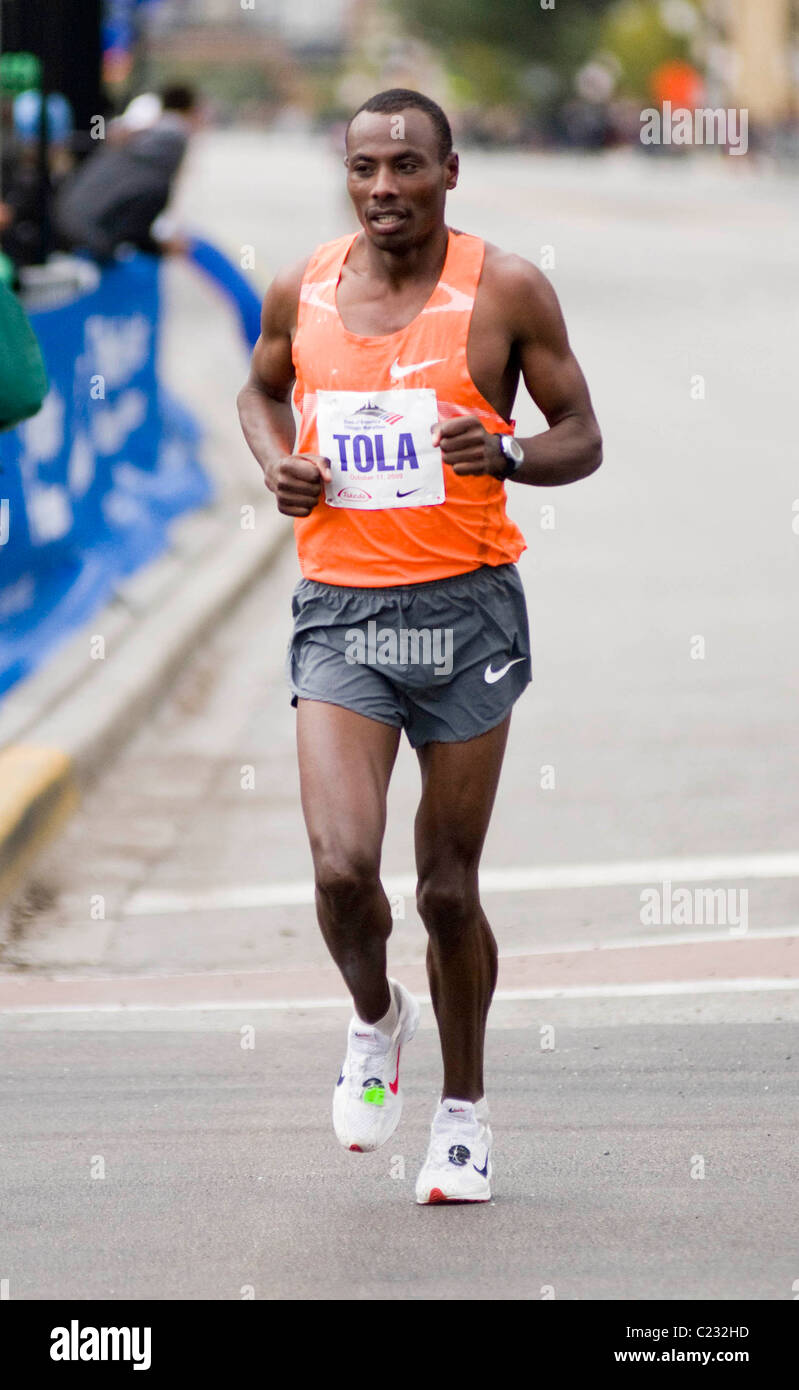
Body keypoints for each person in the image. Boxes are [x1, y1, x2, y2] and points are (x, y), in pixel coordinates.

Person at [237, 89, 602, 1203]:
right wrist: (278, 463)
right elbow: (258, 391)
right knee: (343, 868)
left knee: (446, 889)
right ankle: (374, 1016)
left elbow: (582, 435)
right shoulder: (301, 287)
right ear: (345, 175)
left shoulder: (506, 289)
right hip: (341, 613)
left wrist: (509, 454)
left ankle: (463, 1113)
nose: (383, 187)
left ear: (450, 171)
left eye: (406, 166)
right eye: (363, 167)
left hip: (467, 614)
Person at [53, 84, 201, 263]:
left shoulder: (135, 145)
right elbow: (135, 227)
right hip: (90, 242)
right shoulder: (167, 151)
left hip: (70, 225)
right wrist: (160, 246)